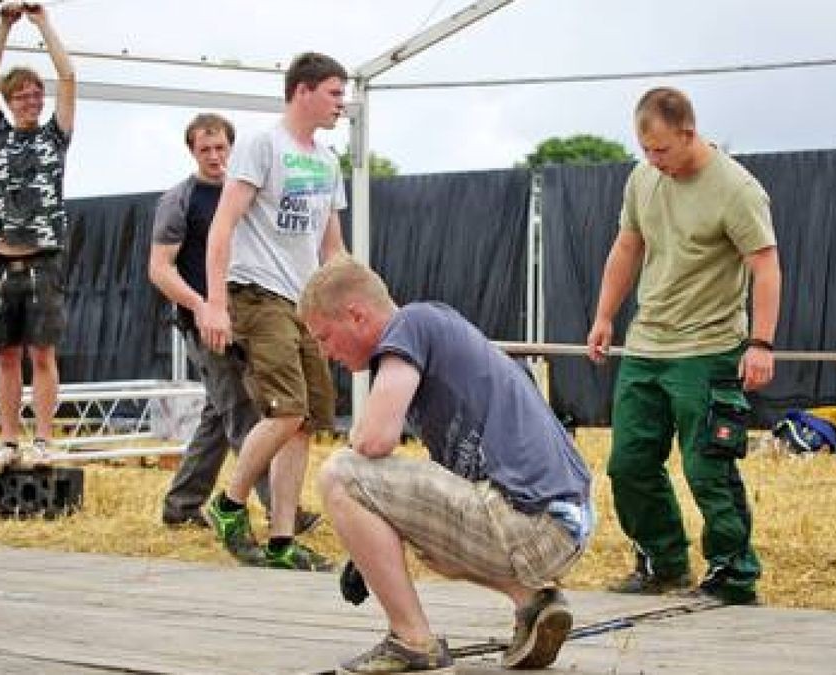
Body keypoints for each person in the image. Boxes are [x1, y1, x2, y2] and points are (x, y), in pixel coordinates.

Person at [300, 255, 594, 674]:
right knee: (428, 550)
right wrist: (370, 549)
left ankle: (413, 643)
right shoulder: (446, 336)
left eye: (324, 337)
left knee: (338, 474)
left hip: (529, 520)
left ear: (356, 315)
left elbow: (373, 439)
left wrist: (362, 533)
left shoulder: (410, 324)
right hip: (564, 525)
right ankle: (533, 602)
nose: (325, 353)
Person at [586, 87, 781, 605]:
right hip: (647, 345)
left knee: (708, 466)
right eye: (645, 150)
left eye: (662, 150)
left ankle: (733, 573)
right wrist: (605, 315)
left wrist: (760, 343)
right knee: (628, 464)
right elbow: (627, 246)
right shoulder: (642, 179)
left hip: (709, 348)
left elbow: (765, 265)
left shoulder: (737, 189)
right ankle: (662, 562)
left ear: (689, 134)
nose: (654, 161)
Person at [195, 52, 348, 570]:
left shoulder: (328, 161)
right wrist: (215, 303)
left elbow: (333, 248)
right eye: (333, 92)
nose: (341, 104)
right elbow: (222, 227)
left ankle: (282, 540)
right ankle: (228, 504)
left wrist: (350, 303)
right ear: (302, 91)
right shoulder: (263, 145)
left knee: (304, 421)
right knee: (286, 410)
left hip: (304, 302)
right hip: (257, 294)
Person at [149, 113, 319, 534]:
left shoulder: (248, 191)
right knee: (244, 412)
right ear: (192, 151)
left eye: (220, 147)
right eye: (204, 149)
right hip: (206, 323)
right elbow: (160, 268)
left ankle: (181, 504)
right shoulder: (179, 199)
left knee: (218, 415)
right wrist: (204, 305)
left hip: (254, 314)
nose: (214, 156)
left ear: (232, 148)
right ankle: (279, 514)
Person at [0, 2, 75, 474]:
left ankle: (43, 440)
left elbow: (69, 78)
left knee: (43, 353)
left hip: (42, 260)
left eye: (37, 94)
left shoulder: (56, 137)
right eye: (22, 96)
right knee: (6, 354)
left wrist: (42, 24)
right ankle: (9, 441)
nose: (32, 101)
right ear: (9, 101)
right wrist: (3, 25)